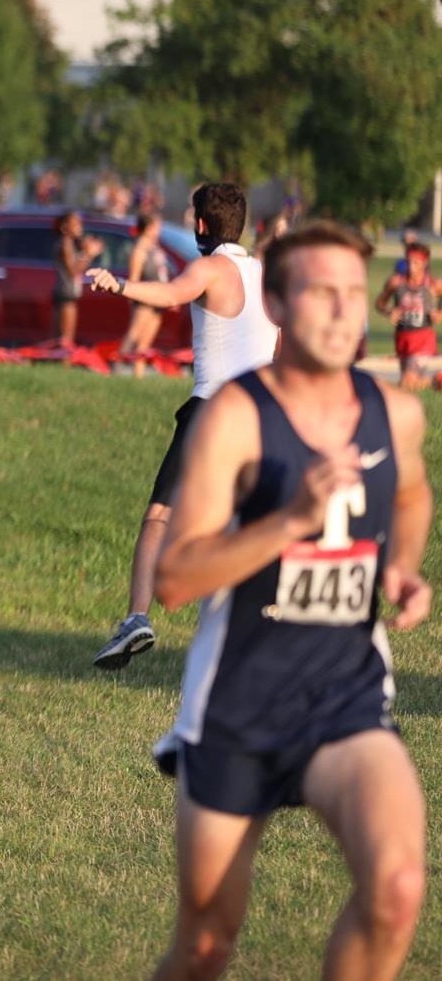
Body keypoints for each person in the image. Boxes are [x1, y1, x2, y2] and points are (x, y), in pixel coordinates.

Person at [148, 220, 431, 980]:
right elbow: (174, 579)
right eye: (319, 292)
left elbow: (409, 494)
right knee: (205, 945)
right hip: (239, 702)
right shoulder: (236, 419)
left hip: (345, 696)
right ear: (275, 301)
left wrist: (401, 566)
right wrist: (291, 522)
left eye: (351, 294)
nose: (342, 311)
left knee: (398, 888)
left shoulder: (395, 414)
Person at [88, 183, 282, 671]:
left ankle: (136, 617)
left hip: (212, 410)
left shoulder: (209, 268)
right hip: (260, 415)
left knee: (160, 516)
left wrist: (119, 285)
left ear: (200, 225)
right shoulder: (264, 274)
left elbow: (171, 294)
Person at [376, 243, 441, 391]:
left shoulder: (433, 284)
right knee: (406, 387)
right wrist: (389, 312)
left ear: (424, 263)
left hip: (423, 339)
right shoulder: (396, 282)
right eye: (408, 261)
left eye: (416, 262)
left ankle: (436, 382)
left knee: (407, 382)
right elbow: (380, 303)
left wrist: (439, 314)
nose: (411, 266)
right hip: (402, 338)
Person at [118, 214, 172, 368]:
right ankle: (117, 365)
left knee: (144, 344)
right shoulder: (139, 250)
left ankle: (138, 375)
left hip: (158, 298)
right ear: (148, 228)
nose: (159, 230)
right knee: (133, 335)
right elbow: (133, 280)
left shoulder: (154, 247)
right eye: (157, 227)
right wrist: (133, 302)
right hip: (144, 300)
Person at [54, 210, 102, 351]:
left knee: (65, 338)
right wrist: (88, 254)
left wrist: (85, 251)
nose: (79, 226)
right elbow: (72, 270)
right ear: (65, 226)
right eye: (75, 223)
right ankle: (63, 367)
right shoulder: (65, 244)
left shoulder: (70, 244)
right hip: (66, 295)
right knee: (65, 340)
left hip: (68, 294)